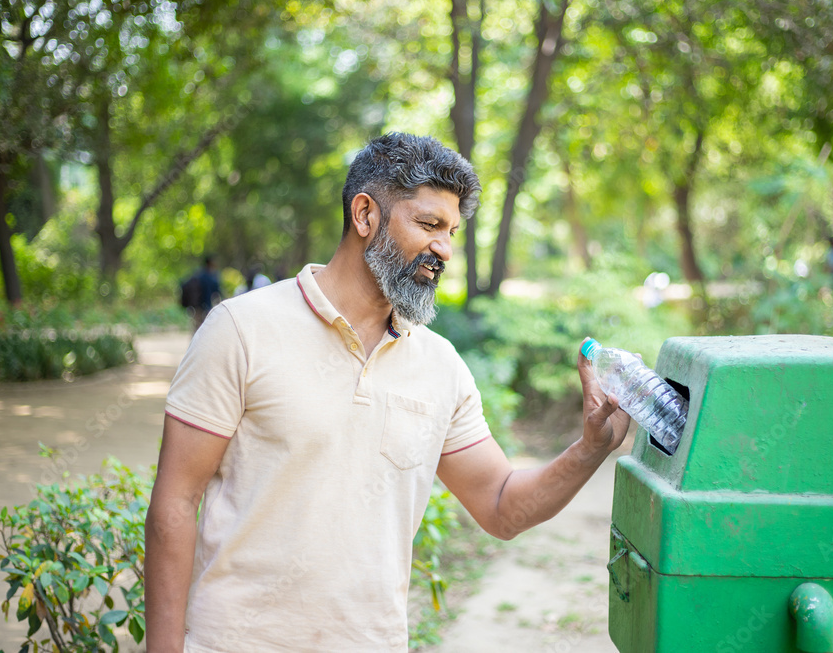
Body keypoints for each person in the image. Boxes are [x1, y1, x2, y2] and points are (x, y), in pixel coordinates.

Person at [144, 133, 630, 653]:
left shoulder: (441, 366)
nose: (444, 248)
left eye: (451, 232)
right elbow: (176, 501)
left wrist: (591, 447)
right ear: (365, 215)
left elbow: (500, 505)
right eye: (428, 225)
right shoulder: (241, 329)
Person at [181, 255, 222, 333]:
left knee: (197, 329)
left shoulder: (198, 274)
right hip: (204, 306)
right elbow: (217, 291)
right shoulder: (210, 276)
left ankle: (195, 344)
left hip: (196, 306)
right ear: (210, 263)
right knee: (204, 329)